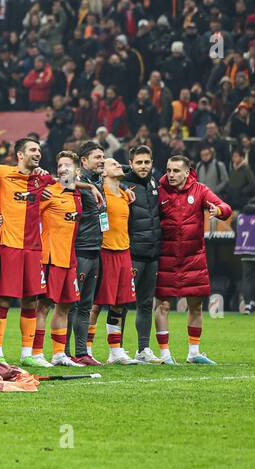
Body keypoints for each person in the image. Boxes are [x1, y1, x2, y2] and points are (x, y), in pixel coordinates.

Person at [0, 137, 55, 362]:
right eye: (33, 150)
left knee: (31, 300)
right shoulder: (1, 172)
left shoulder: (42, 179)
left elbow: (68, 185)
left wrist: (90, 186)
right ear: (20, 155)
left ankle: (27, 354)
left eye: (39, 150)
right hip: (9, 245)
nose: (38, 153)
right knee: (4, 299)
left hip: (33, 248)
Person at [155, 154, 231, 365]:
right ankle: (164, 354)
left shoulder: (200, 190)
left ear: (187, 172)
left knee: (196, 305)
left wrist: (219, 210)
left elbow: (226, 208)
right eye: (168, 170)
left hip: (193, 258)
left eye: (176, 171)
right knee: (162, 305)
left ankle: (193, 353)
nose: (170, 174)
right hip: (166, 256)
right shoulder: (158, 191)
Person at [39, 150, 83, 366]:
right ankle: (36, 353)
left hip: (69, 259)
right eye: (60, 165)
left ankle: (58, 354)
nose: (62, 168)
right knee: (43, 306)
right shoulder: (49, 192)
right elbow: (28, 213)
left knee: (65, 306)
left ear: (77, 171)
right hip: (51, 257)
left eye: (67, 165)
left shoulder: (78, 194)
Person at [95, 157, 138, 364]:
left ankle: (115, 351)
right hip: (105, 251)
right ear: (103, 172)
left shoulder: (124, 194)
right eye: (113, 164)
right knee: (96, 304)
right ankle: (86, 350)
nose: (119, 166)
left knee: (119, 304)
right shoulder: (97, 193)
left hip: (124, 251)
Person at [123, 145, 163, 361]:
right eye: (138, 162)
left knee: (146, 303)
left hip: (152, 254)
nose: (143, 166)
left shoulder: (154, 184)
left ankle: (143, 349)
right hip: (132, 254)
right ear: (130, 164)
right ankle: (116, 350)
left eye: (147, 162)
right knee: (121, 303)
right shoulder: (122, 185)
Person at [69, 141, 107, 365]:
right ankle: (63, 352)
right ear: (84, 161)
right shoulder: (78, 180)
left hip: (95, 249)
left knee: (86, 304)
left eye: (103, 157)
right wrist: (89, 187)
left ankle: (82, 352)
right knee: (72, 304)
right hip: (79, 249)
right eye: (97, 157)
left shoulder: (98, 181)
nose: (101, 160)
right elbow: (63, 183)